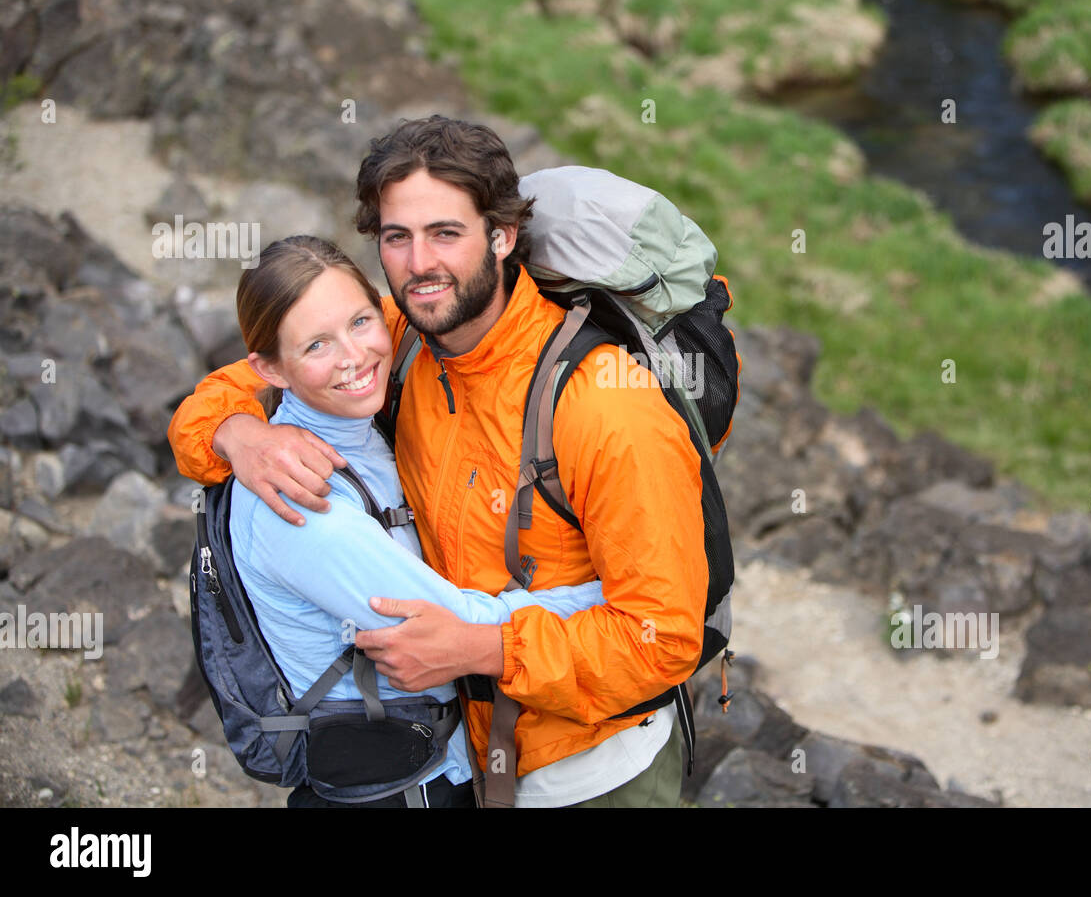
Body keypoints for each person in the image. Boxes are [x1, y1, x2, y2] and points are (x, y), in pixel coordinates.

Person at [168, 115, 713, 807]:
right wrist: (240, 436)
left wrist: (486, 651)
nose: (420, 264)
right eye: (398, 237)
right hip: (473, 761)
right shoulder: (403, 340)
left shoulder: (606, 406)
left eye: (446, 233)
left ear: (502, 236)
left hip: (592, 771)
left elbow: (663, 638)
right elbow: (228, 390)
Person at [226, 234, 603, 807]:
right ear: (269, 368)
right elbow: (458, 627)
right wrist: (608, 602)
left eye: (359, 322)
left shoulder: (354, 429)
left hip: (423, 768)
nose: (354, 358)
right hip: (396, 790)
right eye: (316, 345)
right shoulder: (301, 501)